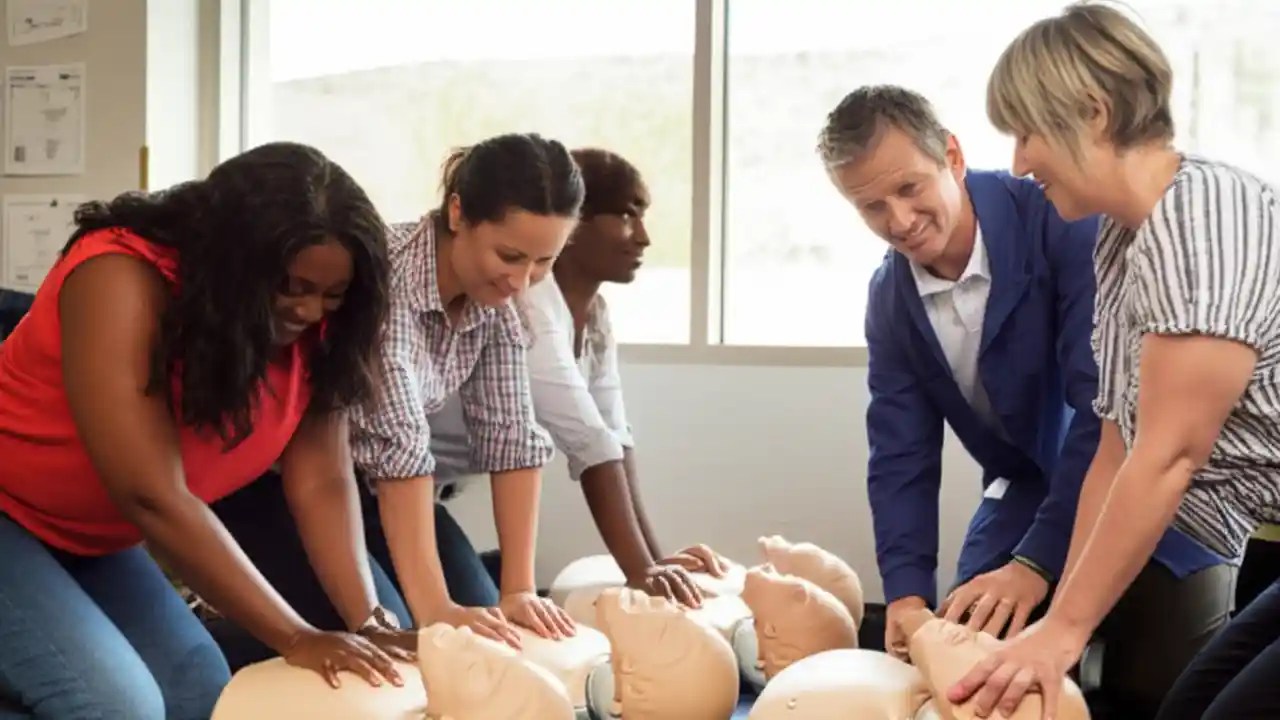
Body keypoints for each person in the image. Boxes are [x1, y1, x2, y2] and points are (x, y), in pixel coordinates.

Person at [818, 84, 1230, 716]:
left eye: (909, 189)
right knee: (968, 673)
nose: (898, 221)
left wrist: (1037, 564)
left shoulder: (1064, 222)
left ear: (951, 156)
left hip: (1149, 481)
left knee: (1168, 690)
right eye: (870, 206)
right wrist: (904, 594)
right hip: (1026, 491)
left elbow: (1106, 414)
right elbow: (900, 456)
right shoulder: (890, 300)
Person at [947, 4, 1277, 719]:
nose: (1019, 162)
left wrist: (1063, 635)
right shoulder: (1121, 240)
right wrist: (1059, 621)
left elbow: (1168, 456)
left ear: (1094, 113)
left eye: (1028, 132)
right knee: (1187, 708)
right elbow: (1115, 447)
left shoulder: (1206, 217)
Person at [0, 142, 407, 720]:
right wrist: (295, 635)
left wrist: (369, 620)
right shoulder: (118, 275)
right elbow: (150, 493)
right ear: (232, 260)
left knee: (200, 689)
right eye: (292, 286)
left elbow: (322, 480)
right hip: (9, 509)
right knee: (117, 708)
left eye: (332, 295)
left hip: (89, 537)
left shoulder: (322, 327)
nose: (312, 310)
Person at [211, 132, 581, 658]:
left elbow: (512, 437)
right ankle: (213, 634)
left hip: (370, 484)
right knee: (405, 637)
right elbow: (399, 446)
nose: (523, 280)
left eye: (544, 262)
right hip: (276, 484)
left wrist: (518, 589)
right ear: (458, 212)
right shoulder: (389, 279)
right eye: (510, 255)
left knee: (487, 619)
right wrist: (434, 612)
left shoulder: (497, 298)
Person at [518, 147, 729, 606]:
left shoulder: (594, 315)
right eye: (628, 216)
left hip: (436, 495)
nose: (644, 237)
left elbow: (615, 436)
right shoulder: (530, 304)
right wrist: (642, 571)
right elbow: (588, 442)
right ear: (572, 224)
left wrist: (659, 562)